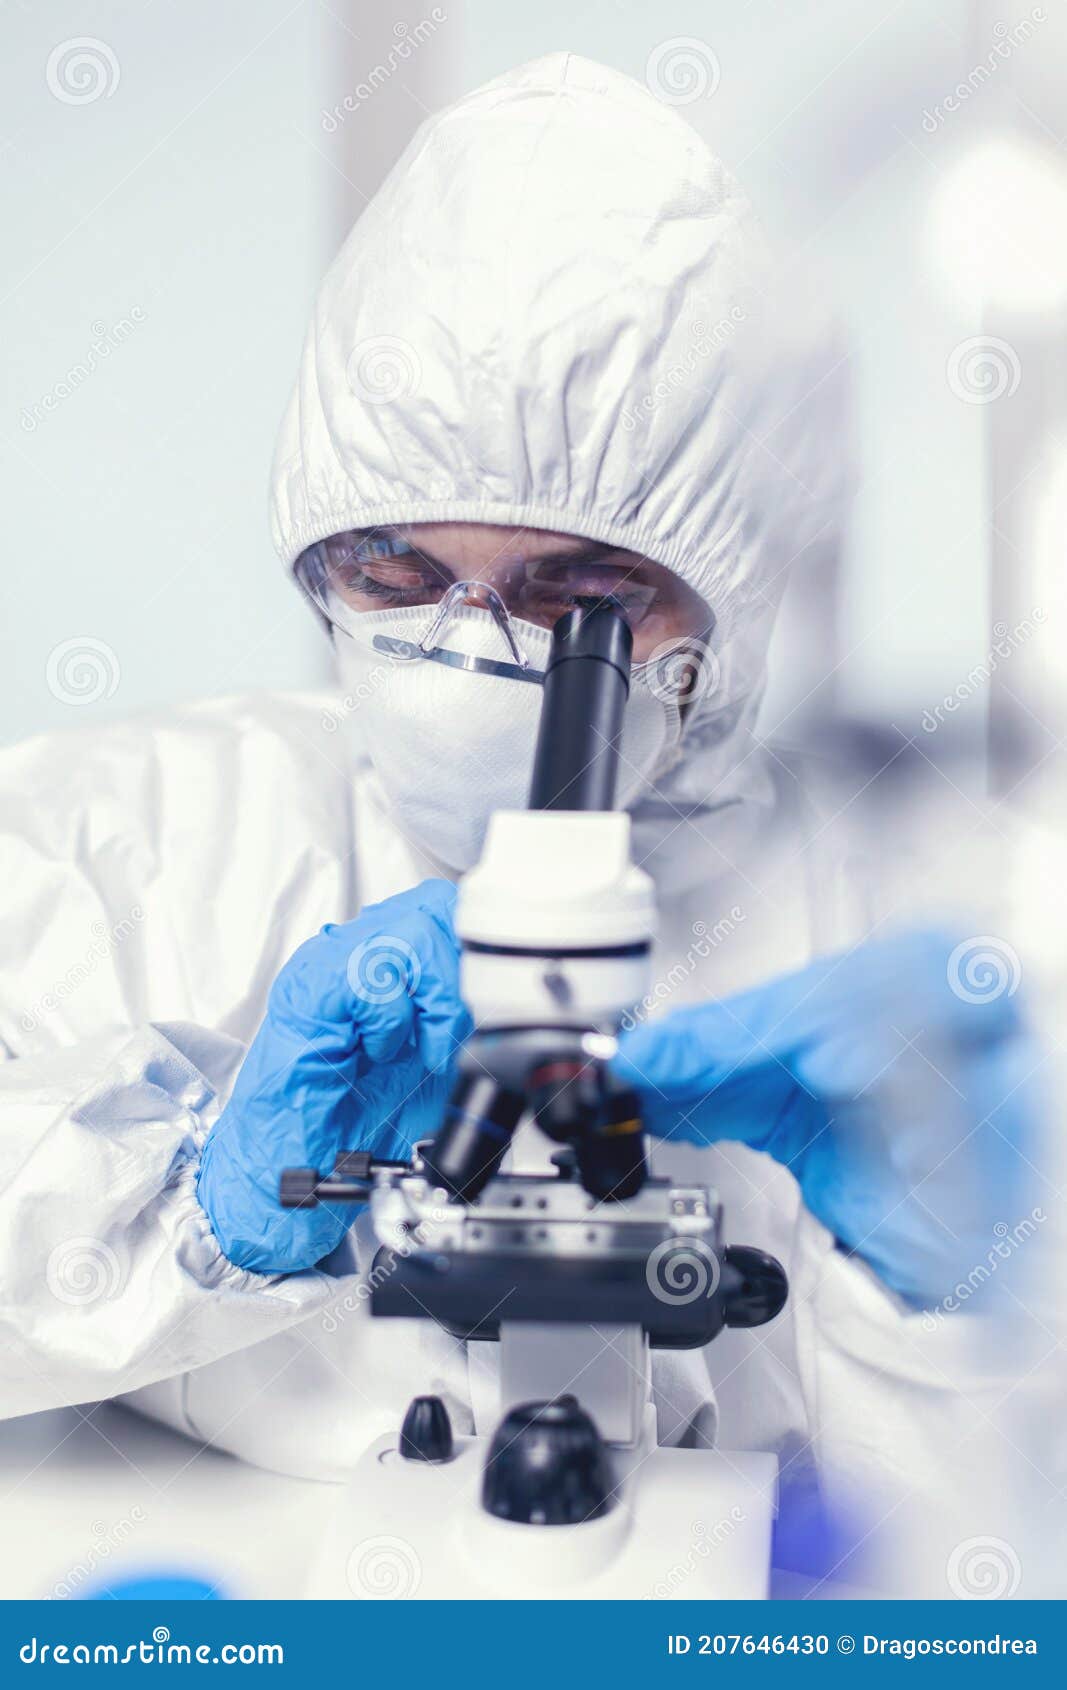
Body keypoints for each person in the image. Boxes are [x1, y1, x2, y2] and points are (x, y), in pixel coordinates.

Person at [0, 54, 1052, 1593]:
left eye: (582, 595)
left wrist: (962, 1295)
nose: (473, 650)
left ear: (725, 611)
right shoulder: (122, 842)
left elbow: (987, 1562)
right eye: (396, 572)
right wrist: (201, 1202)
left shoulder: (906, 913)